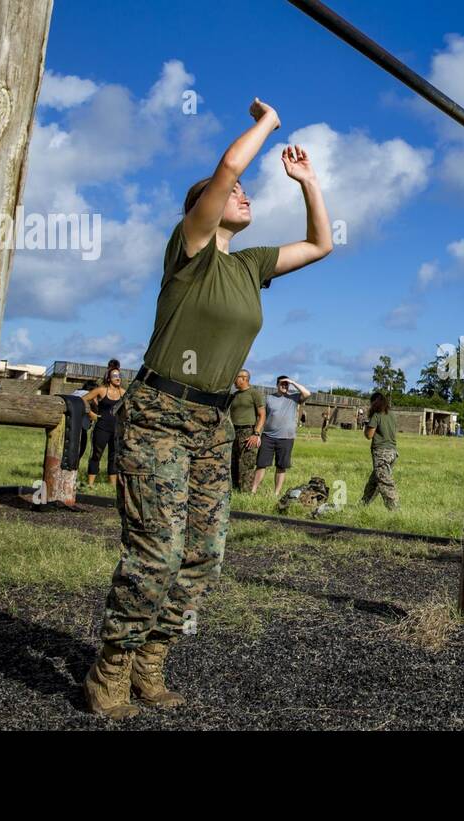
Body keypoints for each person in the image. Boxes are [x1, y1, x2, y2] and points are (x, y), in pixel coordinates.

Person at [84, 97, 333, 720]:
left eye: (249, 192)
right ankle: (109, 667)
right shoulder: (189, 251)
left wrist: (308, 183)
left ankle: (152, 661)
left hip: (211, 424)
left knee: (203, 553)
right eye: (237, 192)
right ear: (206, 209)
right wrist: (268, 123)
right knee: (156, 551)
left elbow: (321, 244)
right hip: (158, 414)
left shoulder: (250, 265)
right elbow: (225, 166)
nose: (245, 196)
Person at [251, 375, 310, 498]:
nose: (284, 386)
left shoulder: (294, 398)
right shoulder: (269, 398)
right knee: (261, 464)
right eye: (282, 384)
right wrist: (257, 433)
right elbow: (261, 417)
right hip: (268, 436)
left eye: (286, 384)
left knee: (281, 466)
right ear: (277, 385)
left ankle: (276, 493)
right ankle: (253, 491)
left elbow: (307, 393)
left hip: (286, 438)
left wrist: (292, 382)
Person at [82, 366, 126, 488]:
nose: (118, 378)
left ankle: (112, 485)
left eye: (119, 376)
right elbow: (83, 400)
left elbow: (130, 408)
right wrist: (91, 414)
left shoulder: (123, 393)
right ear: (108, 378)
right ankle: (90, 484)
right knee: (96, 454)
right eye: (115, 376)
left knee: (114, 456)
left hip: (116, 429)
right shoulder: (101, 390)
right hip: (101, 427)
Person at [361, 391, 399, 510]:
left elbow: (369, 435)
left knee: (384, 483)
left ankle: (395, 510)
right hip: (392, 452)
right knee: (374, 482)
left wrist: (366, 428)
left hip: (381, 453)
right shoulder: (392, 414)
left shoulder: (376, 415)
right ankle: (363, 505)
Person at [229, 369, 264, 493]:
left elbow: (262, 415)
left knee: (246, 463)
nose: (234, 380)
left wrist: (256, 433)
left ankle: (246, 492)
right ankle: (234, 489)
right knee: (233, 462)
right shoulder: (234, 395)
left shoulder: (254, 393)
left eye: (236, 377)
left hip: (248, 431)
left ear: (244, 378)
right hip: (233, 431)